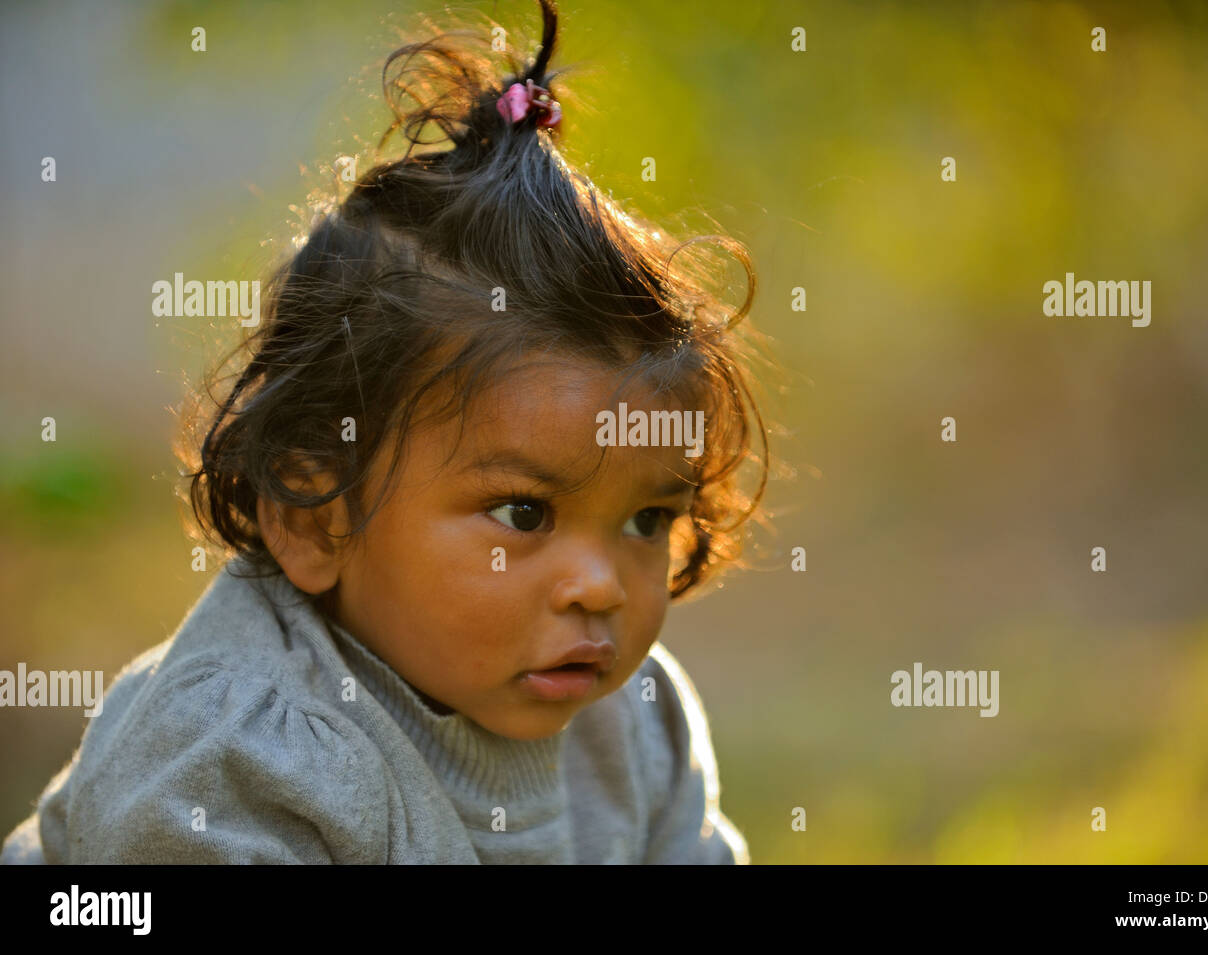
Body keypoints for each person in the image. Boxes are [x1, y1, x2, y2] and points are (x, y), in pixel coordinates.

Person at [2, 0, 769, 864]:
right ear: (314, 515)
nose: (600, 586)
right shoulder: (237, 759)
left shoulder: (636, 724)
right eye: (523, 514)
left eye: (647, 520)